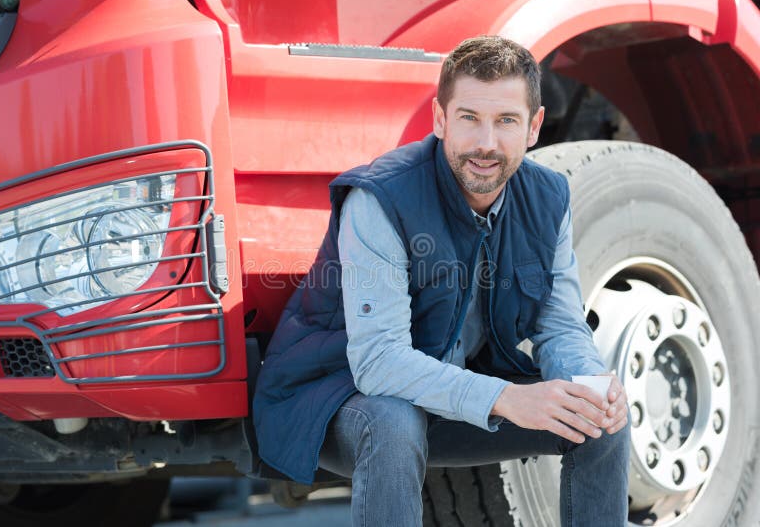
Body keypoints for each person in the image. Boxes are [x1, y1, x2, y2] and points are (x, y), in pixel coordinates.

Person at [253, 35, 630, 526]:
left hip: (448, 397)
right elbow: (378, 363)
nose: (486, 144)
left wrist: (588, 383)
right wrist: (507, 398)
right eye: (470, 118)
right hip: (332, 398)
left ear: (534, 126)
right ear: (440, 119)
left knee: (598, 423)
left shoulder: (549, 198)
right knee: (392, 421)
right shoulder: (380, 199)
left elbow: (560, 326)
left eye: (506, 121)